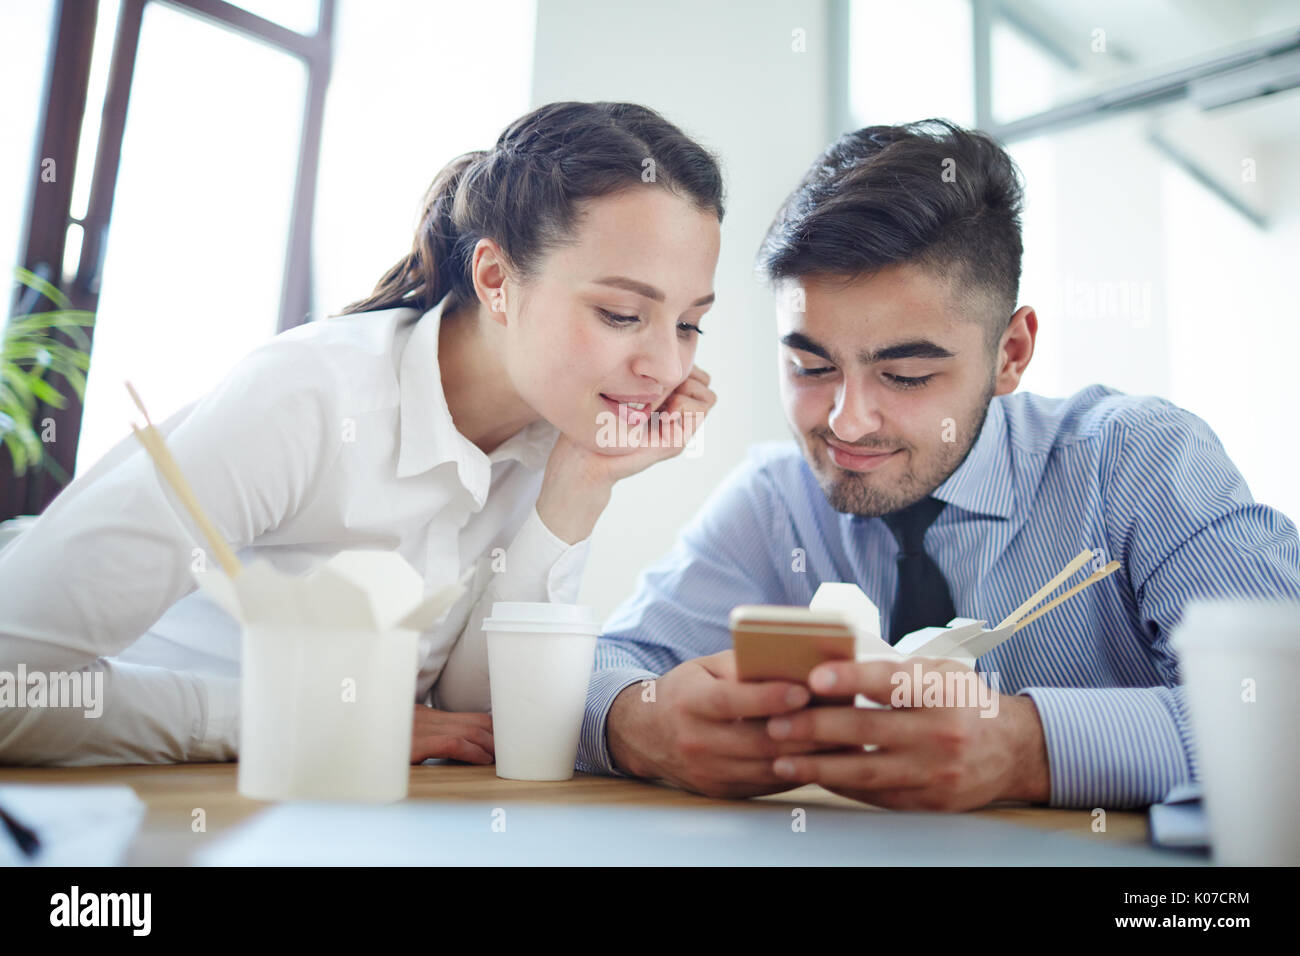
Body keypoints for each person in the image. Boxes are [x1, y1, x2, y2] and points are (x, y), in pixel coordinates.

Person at [578, 119, 1300, 811]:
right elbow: (595, 669)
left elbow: (1283, 709)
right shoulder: (776, 502)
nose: (846, 422)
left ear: (1011, 353)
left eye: (907, 375)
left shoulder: (1139, 463)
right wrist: (640, 725)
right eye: (810, 365)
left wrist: (1031, 749)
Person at [0, 101, 720, 766]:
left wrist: (579, 485)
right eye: (623, 314)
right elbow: (11, 687)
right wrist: (294, 718)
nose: (665, 366)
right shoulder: (309, 400)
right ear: (497, 278)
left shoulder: (553, 429)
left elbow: (477, 719)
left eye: (689, 323)